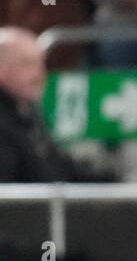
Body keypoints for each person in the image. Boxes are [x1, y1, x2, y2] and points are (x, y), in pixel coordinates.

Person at [0, 27, 102, 181]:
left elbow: (58, 165)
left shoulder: (28, 110)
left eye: (40, 64)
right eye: (26, 64)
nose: (38, 75)